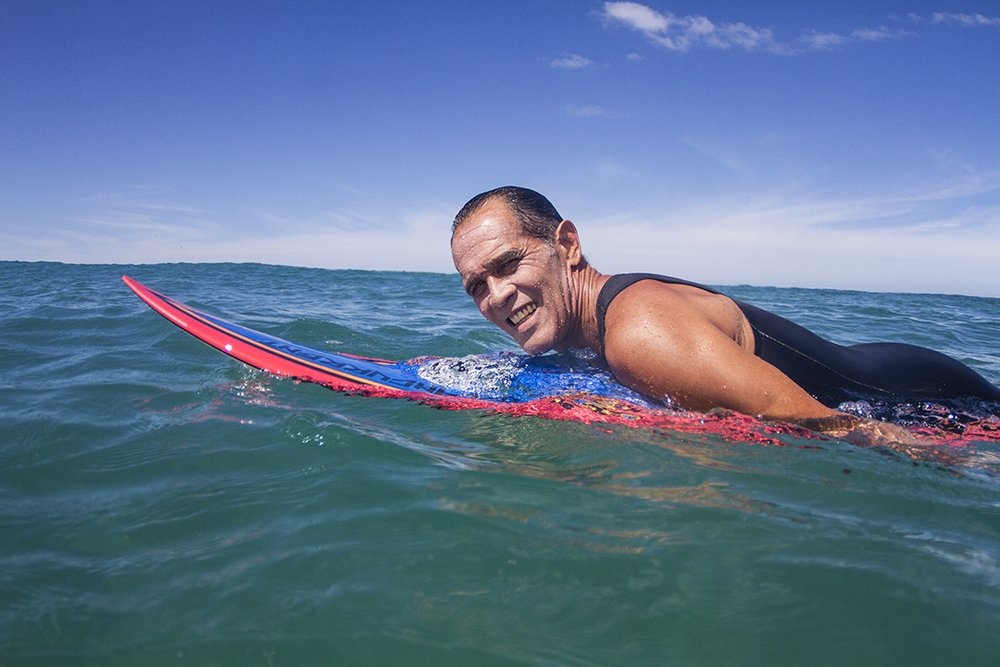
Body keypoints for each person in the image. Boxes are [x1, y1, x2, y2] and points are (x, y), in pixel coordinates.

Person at [450, 186, 1000, 436]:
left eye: (508, 264)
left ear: (566, 243)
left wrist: (958, 462)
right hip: (888, 367)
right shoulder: (604, 327)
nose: (495, 296)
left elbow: (828, 425)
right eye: (476, 285)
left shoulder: (638, 330)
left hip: (926, 398)